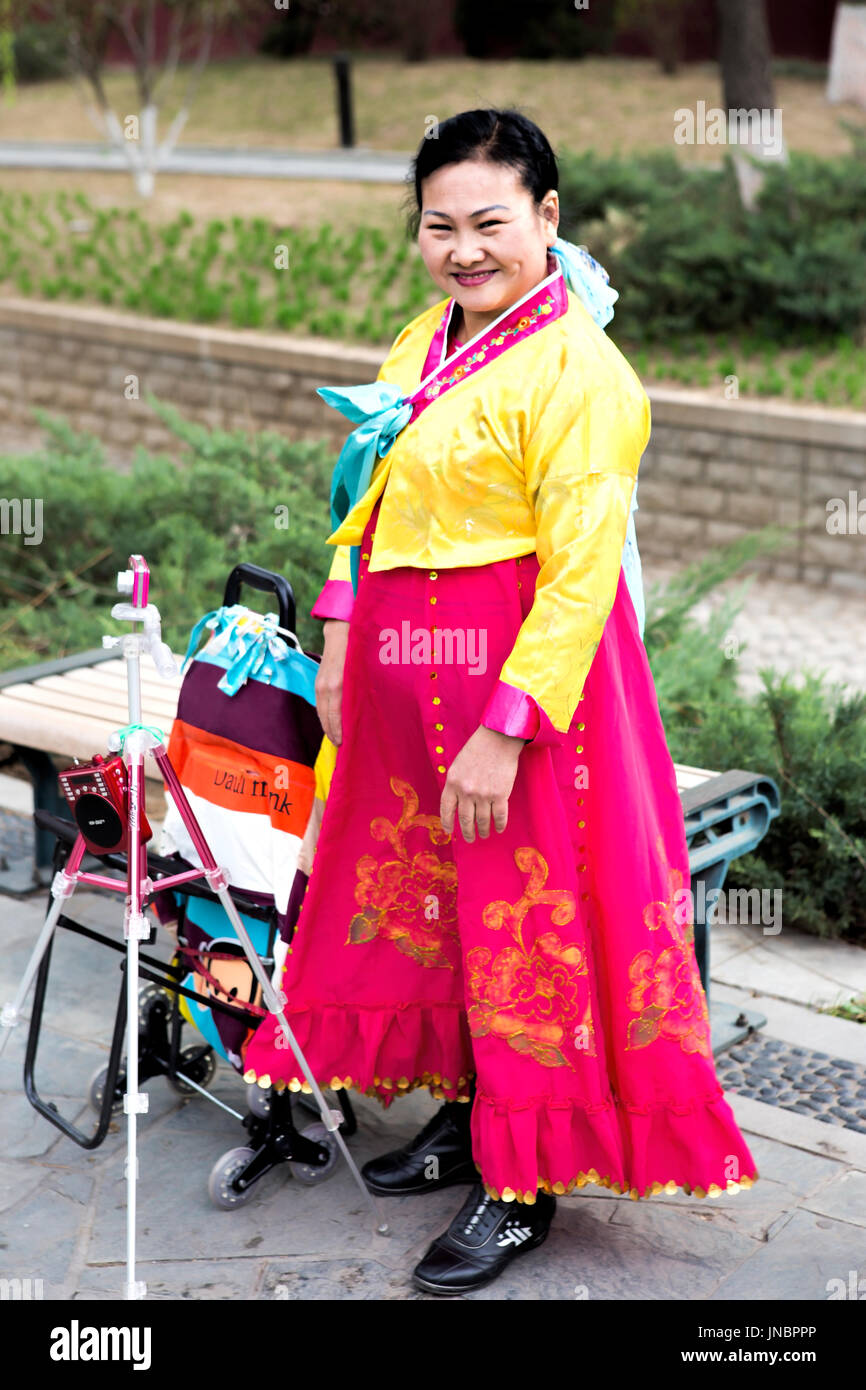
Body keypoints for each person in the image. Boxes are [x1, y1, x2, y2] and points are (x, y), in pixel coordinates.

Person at [242, 108, 759, 1297]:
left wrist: (503, 728)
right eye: (439, 225)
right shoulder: (420, 341)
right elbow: (355, 502)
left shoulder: (583, 373)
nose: (464, 249)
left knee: (536, 931)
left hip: (526, 693)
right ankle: (473, 1115)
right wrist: (335, 634)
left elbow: (579, 580)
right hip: (398, 674)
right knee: (440, 908)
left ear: (546, 219)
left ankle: (521, 1184)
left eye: (489, 223)